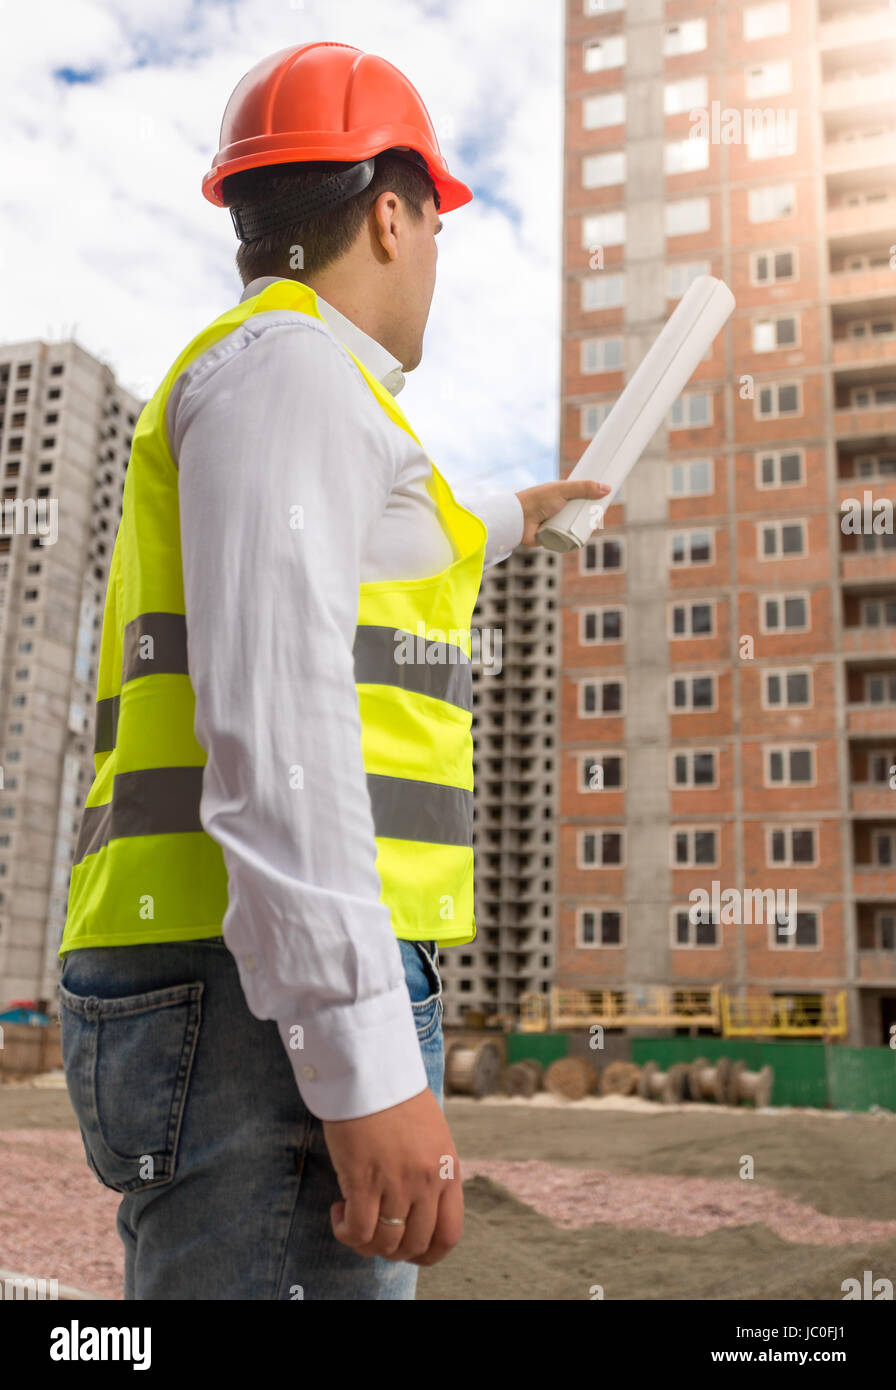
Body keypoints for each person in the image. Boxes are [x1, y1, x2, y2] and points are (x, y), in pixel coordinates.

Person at [58, 40, 607, 1300]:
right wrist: (359, 1058)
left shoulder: (290, 386)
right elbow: (279, 726)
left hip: (239, 979)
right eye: (432, 230)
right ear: (393, 212)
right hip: (260, 1002)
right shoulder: (293, 371)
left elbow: (400, 544)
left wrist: (529, 510)